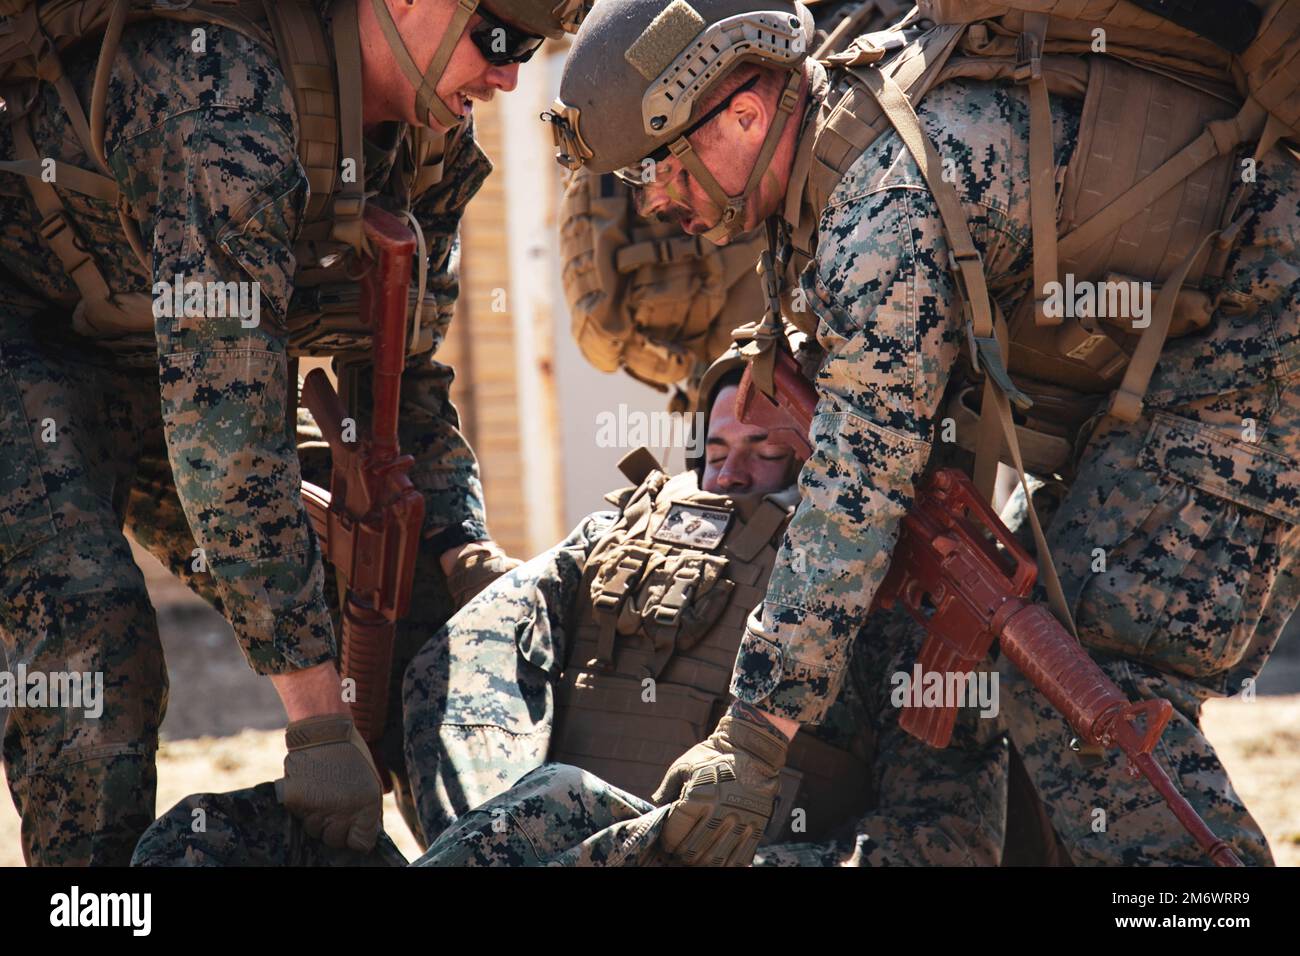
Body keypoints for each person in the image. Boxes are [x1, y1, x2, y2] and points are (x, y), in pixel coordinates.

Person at [544, 0, 1297, 866]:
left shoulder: (881, 212)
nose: (660, 200)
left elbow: (853, 499)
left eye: (663, 167)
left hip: (1261, 348)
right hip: (1209, 349)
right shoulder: (843, 148)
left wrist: (753, 733)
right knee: (1040, 647)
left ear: (746, 112)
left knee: (1089, 671)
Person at [0, 0, 583, 865]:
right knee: (93, 635)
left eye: (528, 50)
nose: (509, 73)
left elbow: (409, 379)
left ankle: (485, 851)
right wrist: (318, 727)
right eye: (497, 40)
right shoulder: (225, 104)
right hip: (29, 333)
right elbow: (227, 446)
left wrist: (460, 548)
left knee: (409, 580)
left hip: (186, 354)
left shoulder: (433, 146)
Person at [131, 349, 1008, 866]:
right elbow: (474, 659)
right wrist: (493, 827)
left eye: (772, 450)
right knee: (208, 838)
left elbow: (942, 841)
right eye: (718, 446)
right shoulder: (619, 535)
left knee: (558, 801)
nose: (733, 472)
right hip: (513, 841)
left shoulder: (907, 604)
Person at [558, 0, 910, 410]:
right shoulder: (797, 191)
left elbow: (873, 455)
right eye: (636, 180)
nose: (652, 205)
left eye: (672, 173)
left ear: (745, 117)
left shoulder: (871, 199)